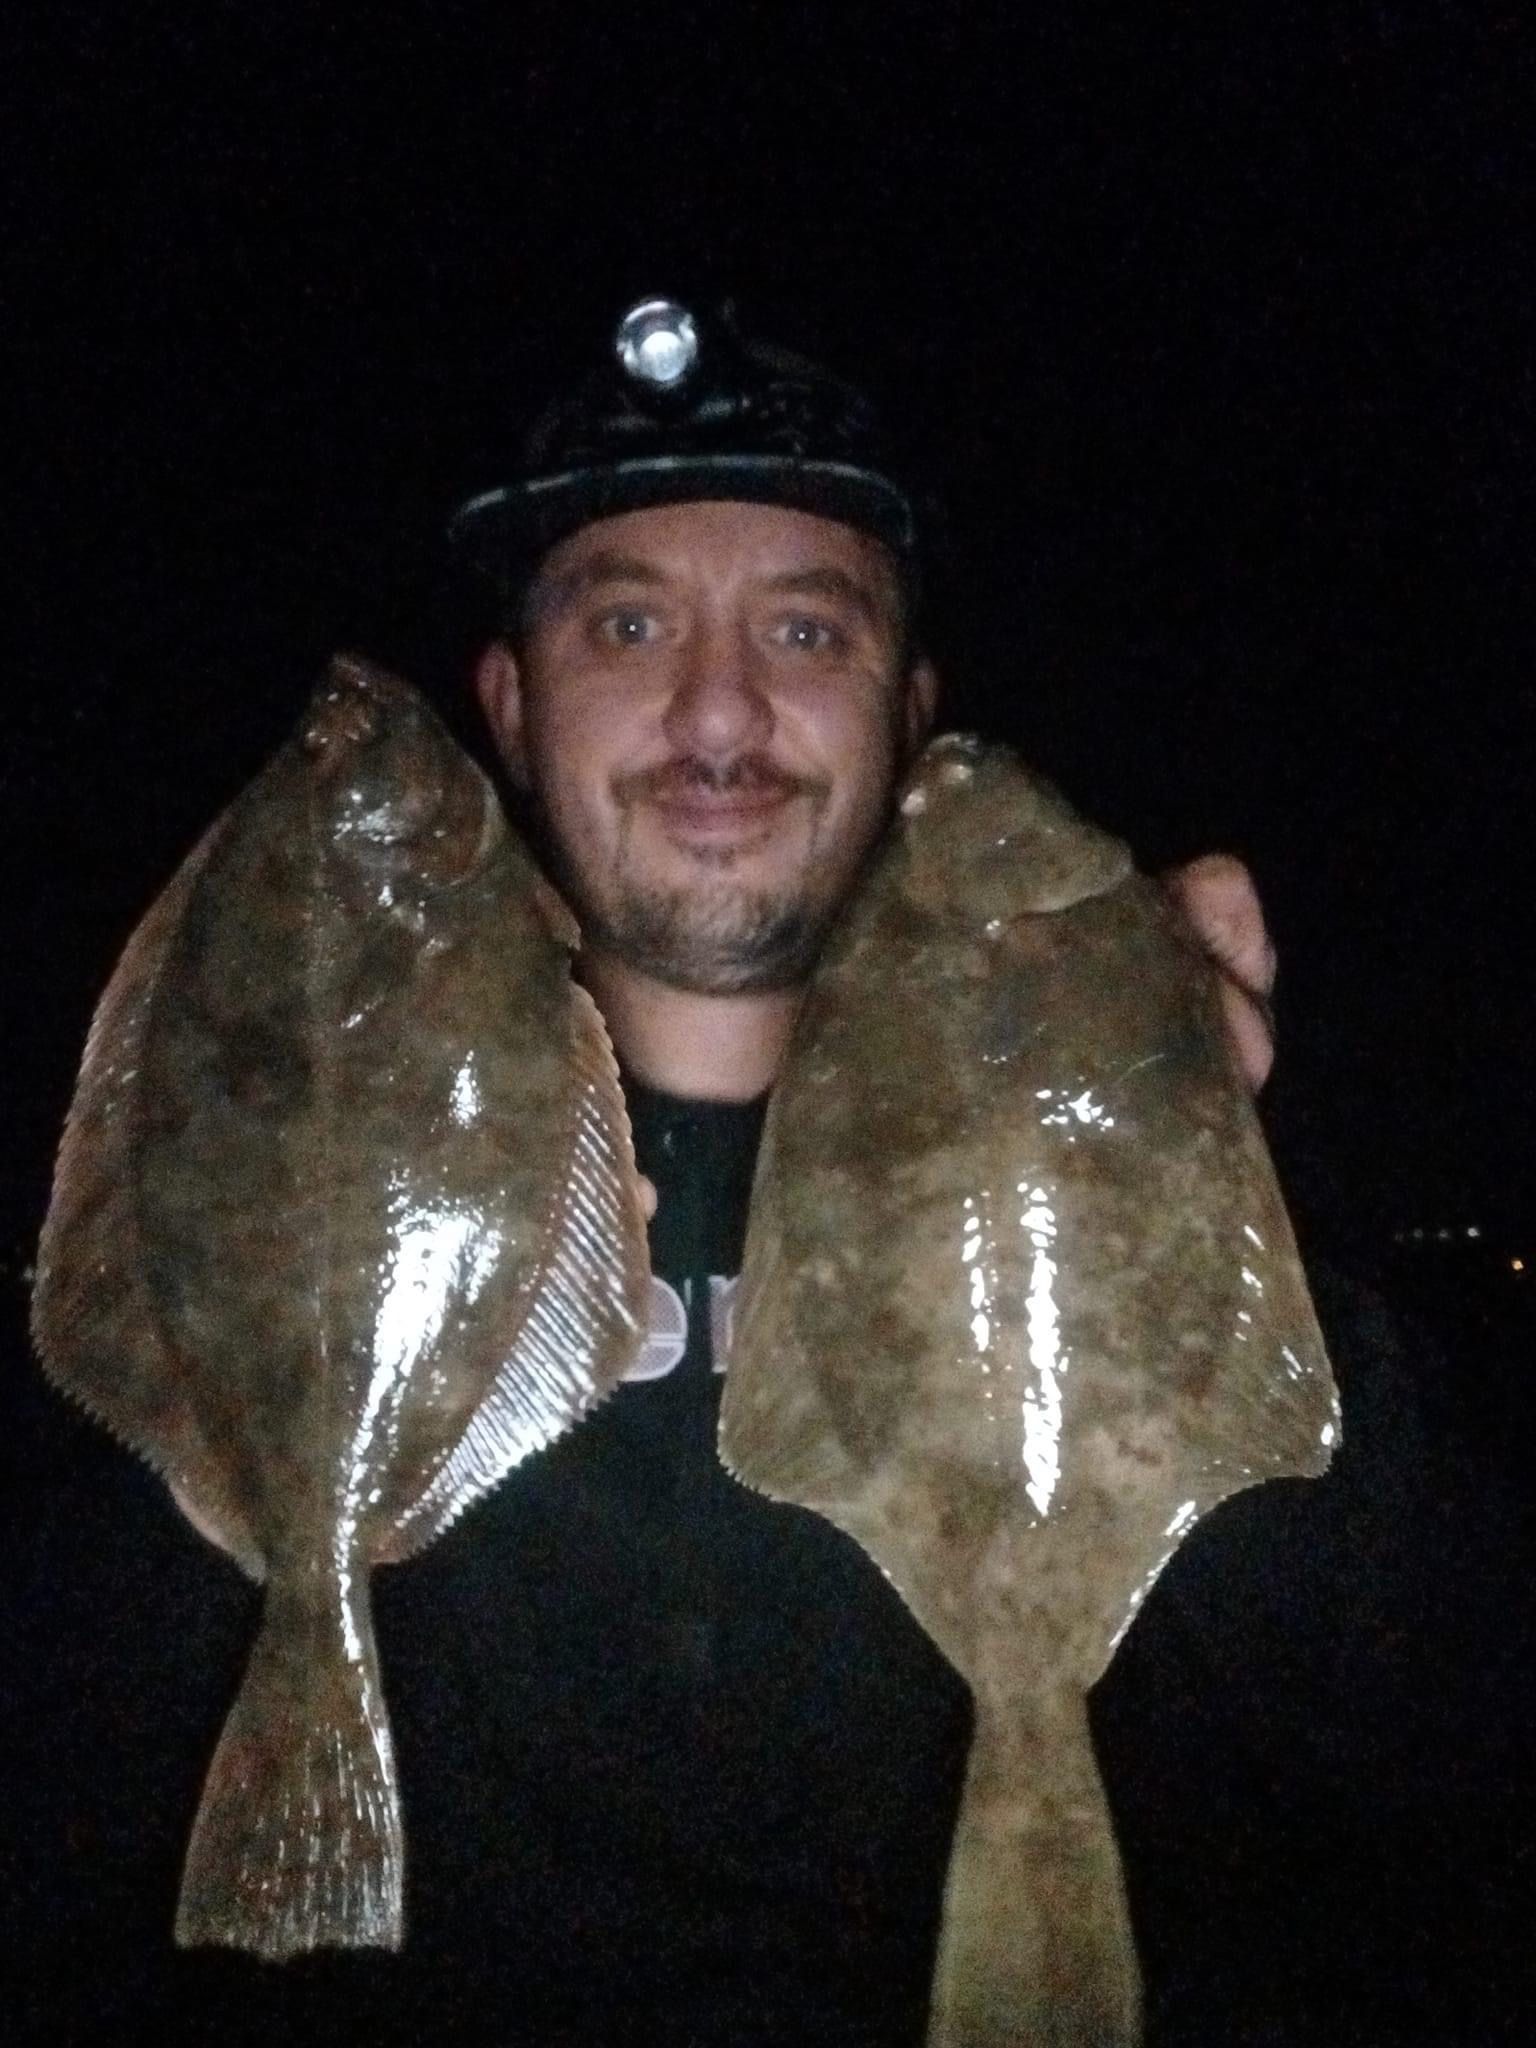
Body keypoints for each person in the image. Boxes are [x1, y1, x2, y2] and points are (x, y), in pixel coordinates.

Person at [5, 299, 1464, 2048]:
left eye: (804, 627)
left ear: (907, 712)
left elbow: (1426, 1736)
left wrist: (1232, 1178)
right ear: (511, 704)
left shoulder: (1096, 1130)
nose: (719, 710)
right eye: (629, 621)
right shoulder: (309, 1097)